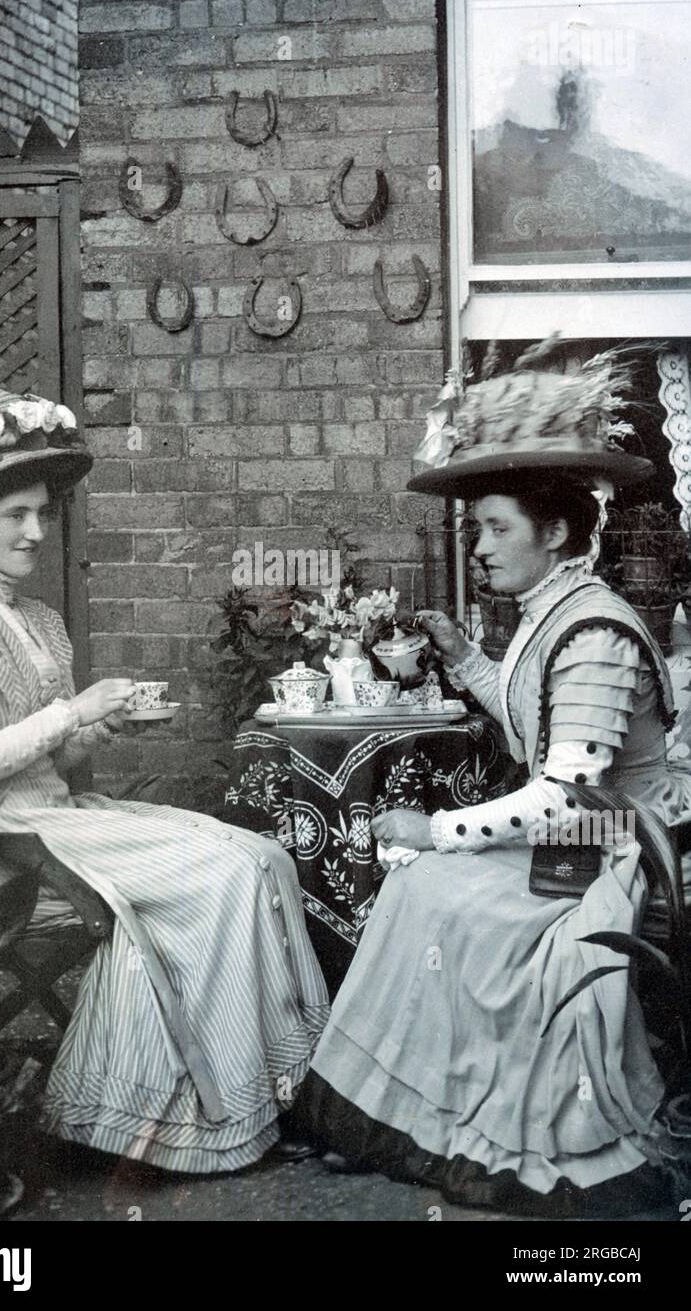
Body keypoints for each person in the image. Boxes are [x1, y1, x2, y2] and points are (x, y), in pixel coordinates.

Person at [0, 386, 329, 1175]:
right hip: (3, 846)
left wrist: (97, 728)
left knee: (261, 856)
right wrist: (68, 716)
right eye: (14, 516)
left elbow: (42, 761)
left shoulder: (40, 620)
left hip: (59, 815)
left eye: (43, 512)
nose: (35, 530)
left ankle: (266, 1092)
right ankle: (156, 1113)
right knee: (225, 871)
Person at [297, 349, 690, 1216]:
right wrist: (465, 654)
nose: (476, 549)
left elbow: (566, 793)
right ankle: (395, 1116)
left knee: (440, 891)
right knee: (424, 892)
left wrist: (434, 831)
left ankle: (439, 1118)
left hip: (618, 852)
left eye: (493, 529)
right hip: (581, 837)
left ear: (553, 532)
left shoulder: (592, 630)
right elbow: (534, 720)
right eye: (474, 531)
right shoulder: (554, 611)